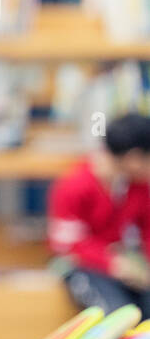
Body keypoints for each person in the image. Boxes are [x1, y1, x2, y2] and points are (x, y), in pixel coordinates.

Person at [48, 112, 150, 313]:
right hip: (82, 264)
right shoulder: (75, 184)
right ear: (134, 158)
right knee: (119, 316)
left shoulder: (138, 185)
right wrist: (114, 263)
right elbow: (66, 245)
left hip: (126, 260)